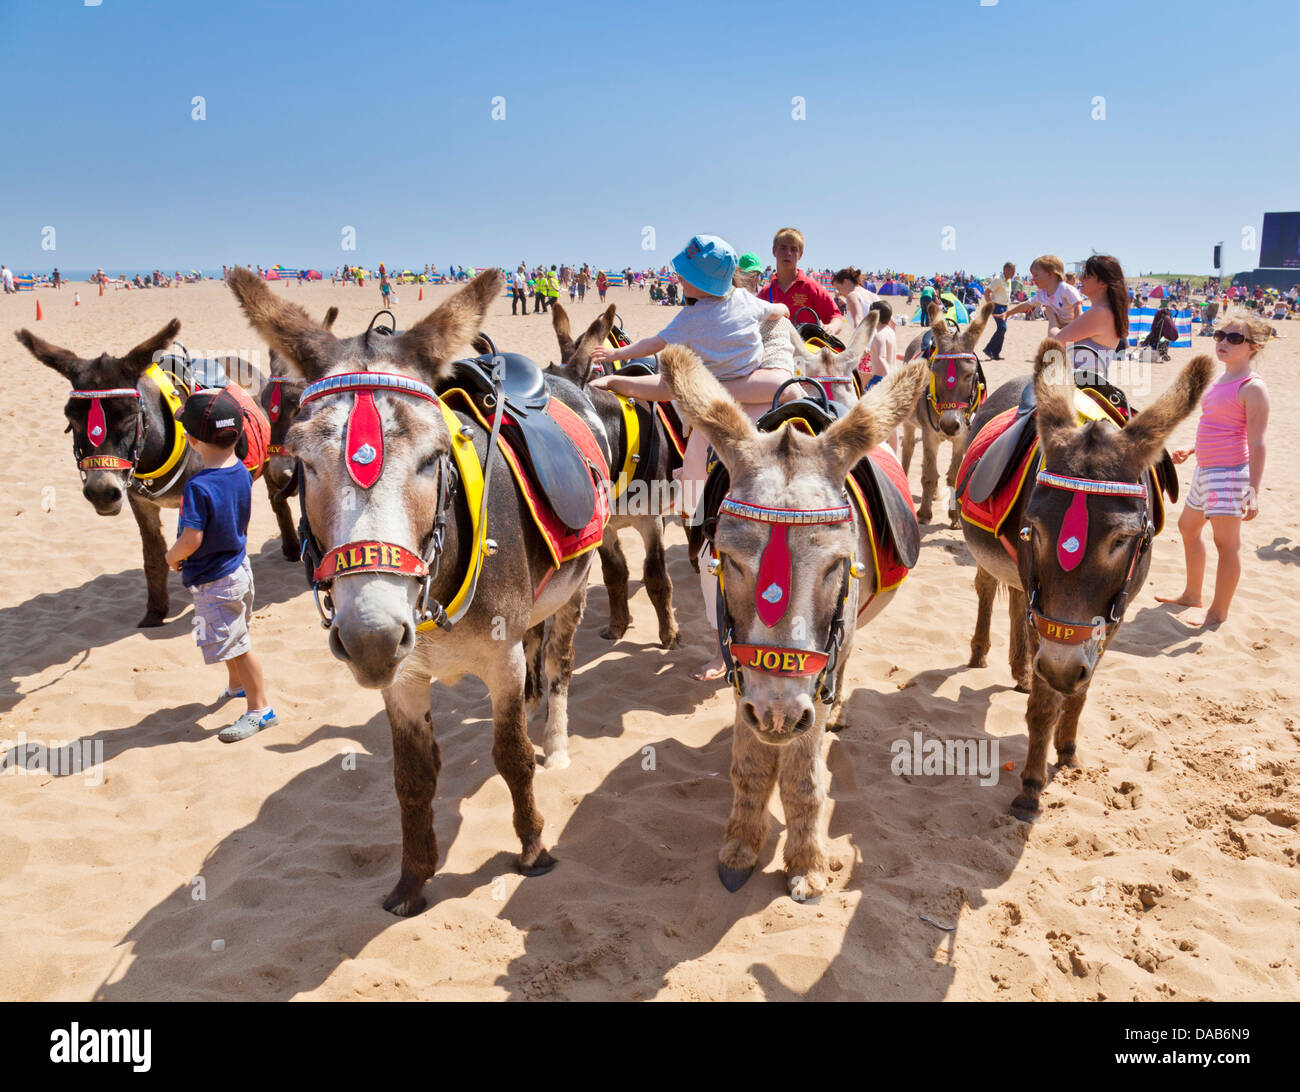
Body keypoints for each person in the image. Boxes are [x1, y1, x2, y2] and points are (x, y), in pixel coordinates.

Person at [585, 234, 795, 680]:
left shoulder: (687, 321)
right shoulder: (745, 301)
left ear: (691, 282)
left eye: (683, 273)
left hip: (712, 406)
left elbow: (653, 351)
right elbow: (776, 311)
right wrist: (776, 312)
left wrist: (618, 365)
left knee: (697, 454)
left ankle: (688, 498)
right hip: (758, 394)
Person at [163, 389, 277, 743]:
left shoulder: (197, 487)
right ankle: (237, 686)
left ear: (192, 440)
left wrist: (173, 556)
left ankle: (260, 710)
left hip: (215, 579)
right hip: (238, 569)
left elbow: (192, 538)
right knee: (234, 635)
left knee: (239, 646)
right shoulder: (243, 471)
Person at [1156, 315, 1270, 627]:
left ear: (1253, 347)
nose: (1223, 341)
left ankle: (1218, 612)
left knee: (1226, 544)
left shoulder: (1252, 387)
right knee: (1188, 528)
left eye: (1234, 338)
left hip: (1230, 474)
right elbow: (1218, 425)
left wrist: (1254, 490)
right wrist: (1193, 449)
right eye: (1221, 334)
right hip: (1206, 470)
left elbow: (1257, 442)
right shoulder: (1222, 379)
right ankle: (1193, 595)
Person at [1049, 253, 1129, 380]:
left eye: (1087, 275)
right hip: (1094, 381)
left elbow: (1056, 341)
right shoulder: (1110, 312)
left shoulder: (1100, 312)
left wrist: (1051, 315)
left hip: (1080, 382)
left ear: (1102, 282)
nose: (1081, 278)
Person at [757, 228, 844, 332]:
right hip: (775, 347)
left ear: (800, 254)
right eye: (783, 248)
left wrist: (832, 327)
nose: (788, 253)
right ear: (774, 251)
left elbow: (836, 316)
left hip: (806, 347)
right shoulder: (765, 292)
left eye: (794, 249)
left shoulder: (812, 288)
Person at [999, 254, 1082, 336]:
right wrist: (1008, 313)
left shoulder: (1065, 289)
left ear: (1050, 273)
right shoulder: (1042, 293)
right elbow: (1026, 305)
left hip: (1073, 326)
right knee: (1055, 344)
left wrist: (1075, 327)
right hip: (1058, 326)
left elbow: (1077, 306)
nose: (1033, 278)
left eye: (1036, 275)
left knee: (1069, 347)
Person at [983, 262, 1015, 359]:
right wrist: (991, 306)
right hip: (997, 306)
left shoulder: (1008, 281)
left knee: (1002, 330)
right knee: (1002, 328)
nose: (1014, 273)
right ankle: (988, 349)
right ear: (1006, 270)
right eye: (1012, 271)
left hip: (1005, 307)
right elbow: (987, 293)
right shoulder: (997, 279)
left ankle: (996, 353)